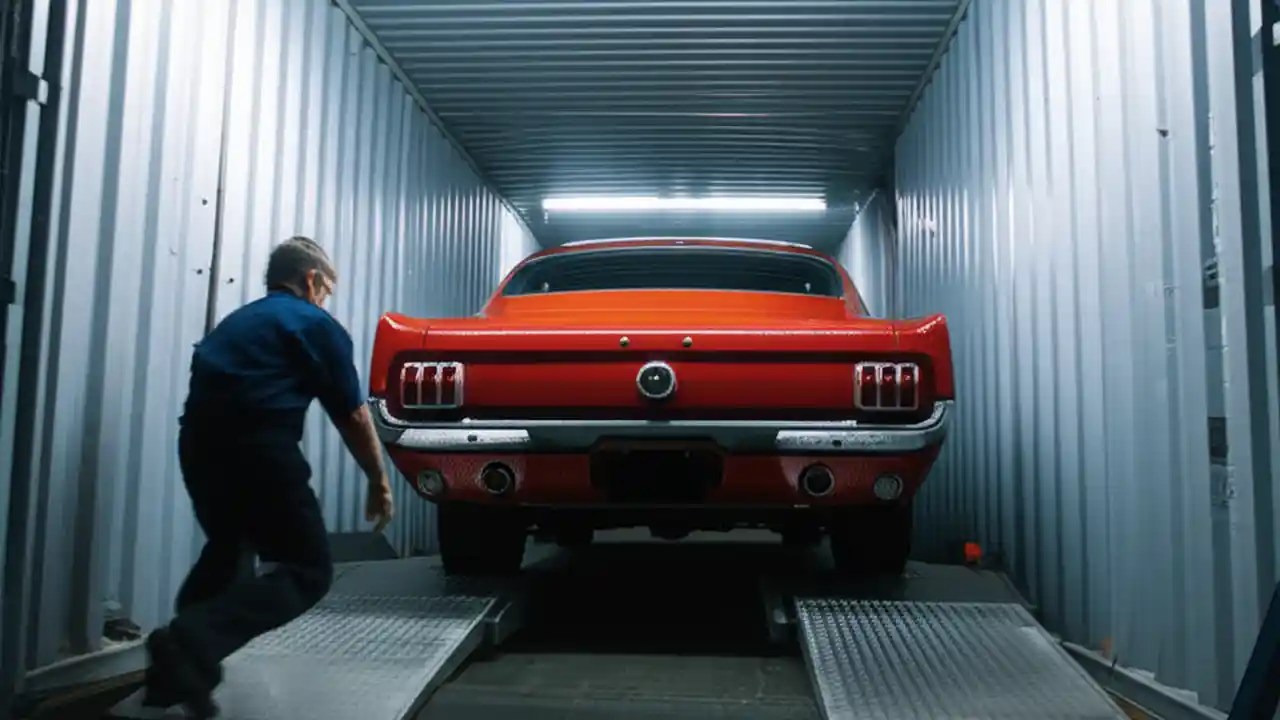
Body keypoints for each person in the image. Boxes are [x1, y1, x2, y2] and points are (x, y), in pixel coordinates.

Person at [142, 236, 395, 717]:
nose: (325, 300)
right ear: (312, 280)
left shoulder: (238, 322)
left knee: (229, 548)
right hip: (259, 448)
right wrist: (378, 479)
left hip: (198, 447)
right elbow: (352, 414)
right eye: (326, 290)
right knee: (308, 571)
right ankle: (188, 642)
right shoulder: (314, 324)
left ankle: (174, 674)